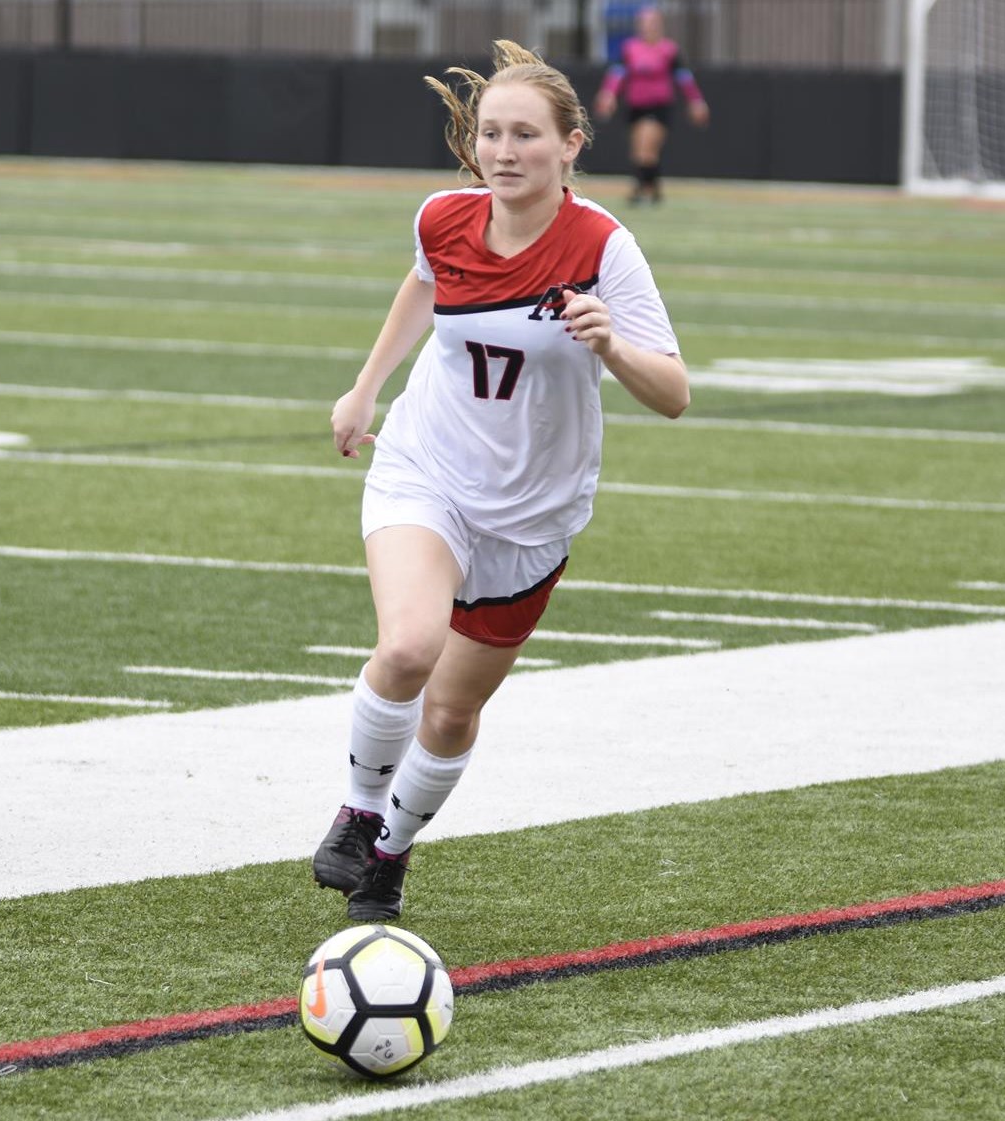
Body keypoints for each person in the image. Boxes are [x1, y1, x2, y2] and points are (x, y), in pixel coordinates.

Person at [313, 40, 690, 920]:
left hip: (532, 514)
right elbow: (422, 285)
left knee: (448, 713)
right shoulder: (442, 217)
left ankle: (391, 858)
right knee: (408, 646)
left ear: (571, 146)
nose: (505, 151)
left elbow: (673, 393)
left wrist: (612, 343)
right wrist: (365, 386)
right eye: (491, 134)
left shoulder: (604, 244)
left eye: (526, 135)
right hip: (427, 466)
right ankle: (359, 811)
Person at [593, 5, 710, 205]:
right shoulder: (630, 49)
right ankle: (652, 189)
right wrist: (608, 94)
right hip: (636, 106)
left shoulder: (668, 50)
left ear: (660, 25)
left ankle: (640, 190)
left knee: (646, 146)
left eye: (652, 23)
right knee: (642, 151)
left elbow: (684, 78)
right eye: (644, 23)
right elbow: (617, 74)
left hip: (658, 106)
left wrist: (696, 101)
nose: (648, 28)